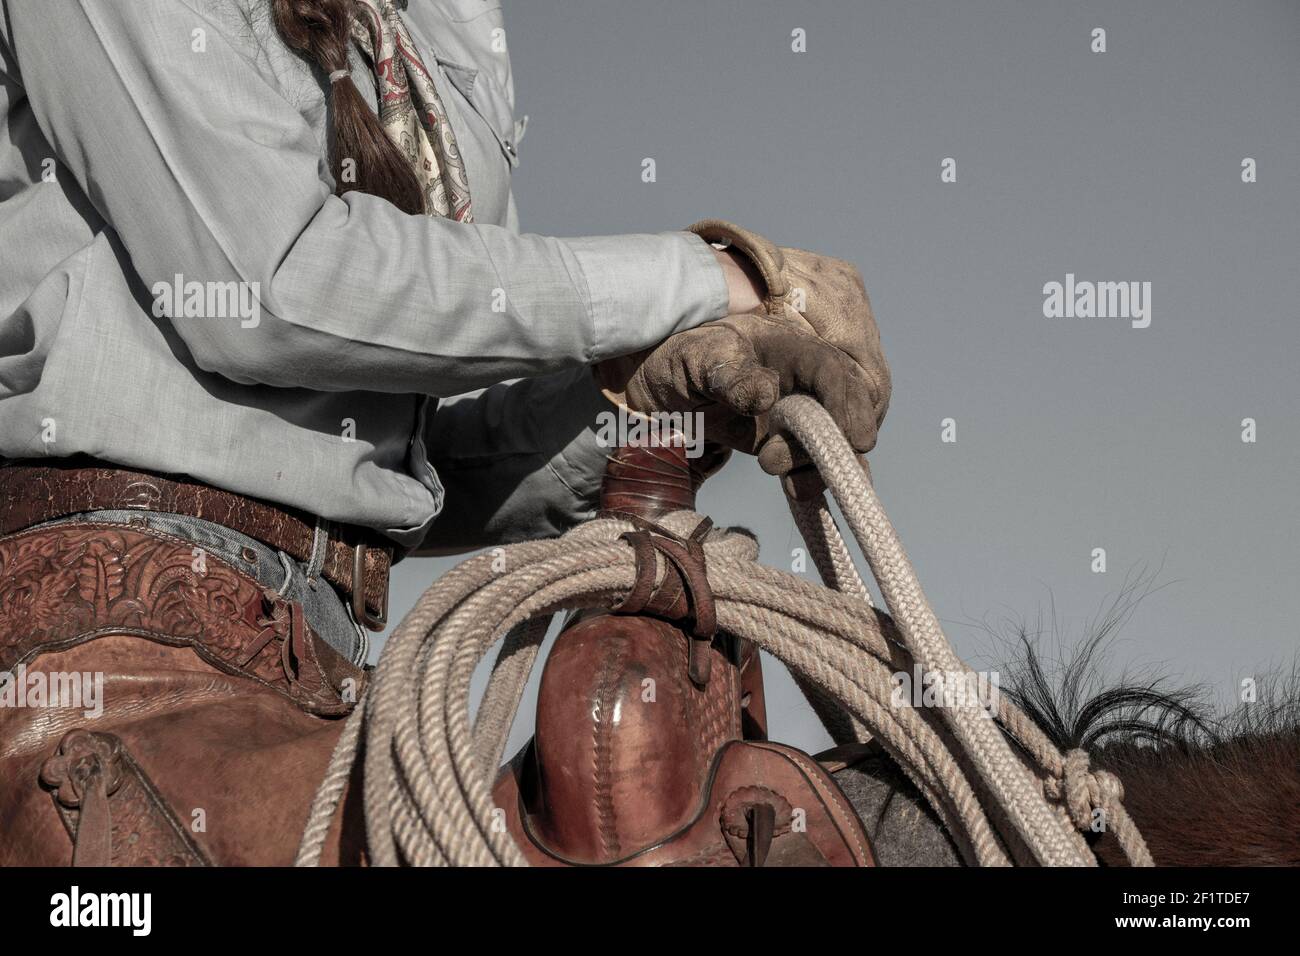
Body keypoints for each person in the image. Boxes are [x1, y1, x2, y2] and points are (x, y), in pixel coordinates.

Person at [0, 0, 889, 865]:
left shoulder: (452, 19)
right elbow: (273, 285)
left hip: (331, 669)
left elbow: (430, 447)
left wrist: (646, 402)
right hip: (106, 670)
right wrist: (703, 279)